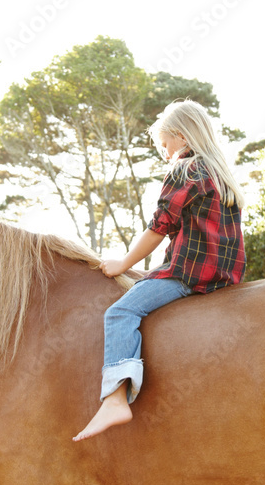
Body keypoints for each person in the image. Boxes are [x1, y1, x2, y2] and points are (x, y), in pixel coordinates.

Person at [73, 99, 246, 442]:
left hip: (189, 274)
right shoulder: (221, 175)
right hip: (226, 276)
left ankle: (116, 398)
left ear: (181, 137)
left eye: (165, 145)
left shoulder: (185, 170)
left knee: (121, 312)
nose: (165, 154)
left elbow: (159, 227)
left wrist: (123, 264)